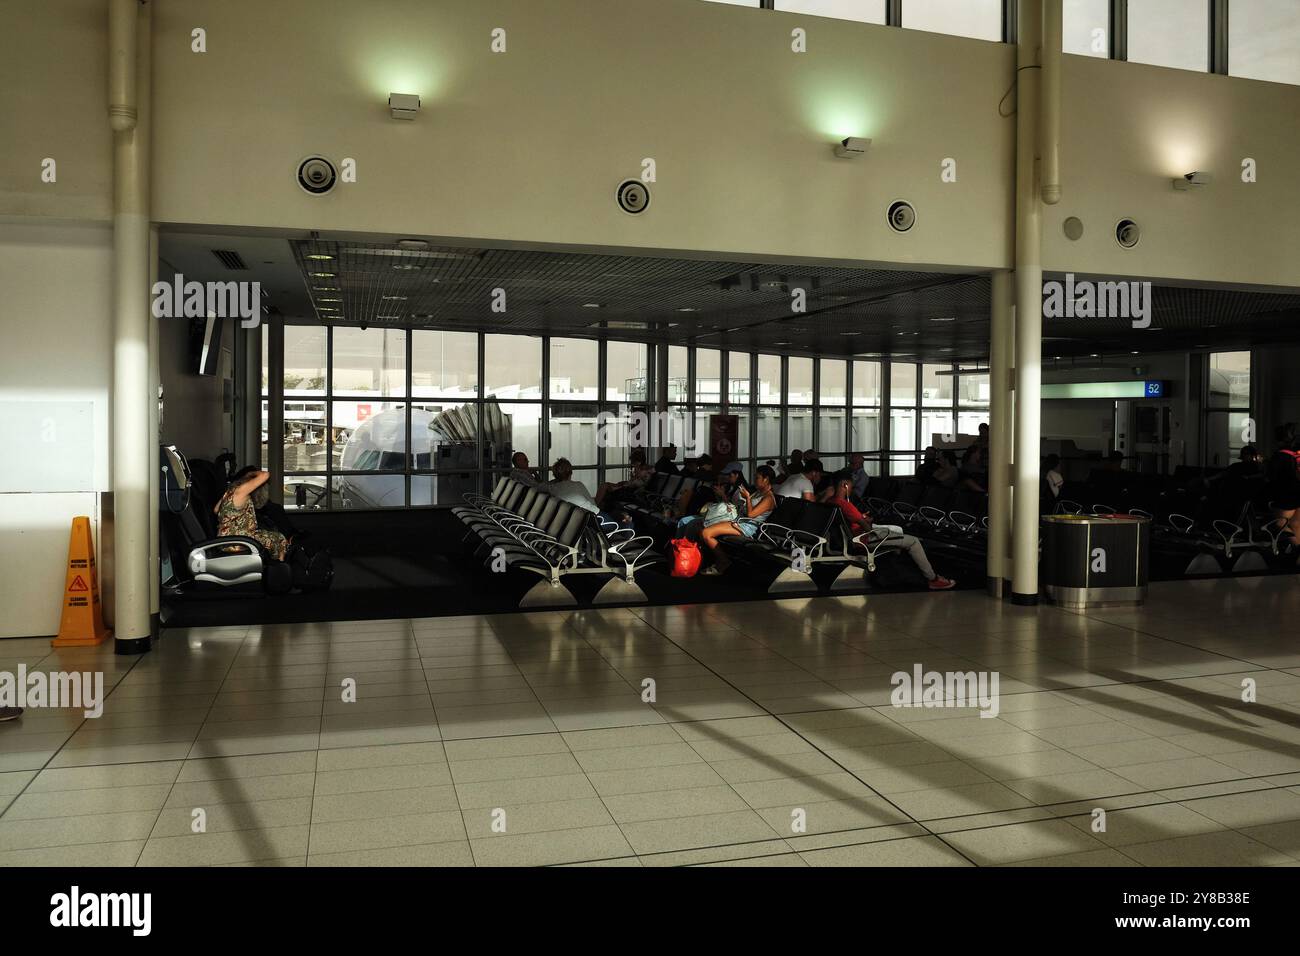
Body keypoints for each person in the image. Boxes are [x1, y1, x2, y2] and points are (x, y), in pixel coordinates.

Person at [828, 476, 956, 590]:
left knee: (898, 532)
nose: (851, 489)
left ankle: (899, 568)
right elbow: (864, 525)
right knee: (913, 541)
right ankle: (933, 579)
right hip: (864, 539)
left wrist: (865, 520)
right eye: (850, 486)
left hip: (854, 537)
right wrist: (875, 533)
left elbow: (856, 519)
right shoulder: (846, 505)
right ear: (844, 485)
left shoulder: (831, 502)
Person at [699, 466, 779, 575]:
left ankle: (723, 561)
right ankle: (714, 559)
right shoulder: (759, 493)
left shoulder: (769, 498)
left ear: (766, 479)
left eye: (757, 478)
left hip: (747, 527)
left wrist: (747, 498)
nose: (755, 480)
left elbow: (751, 515)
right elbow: (746, 509)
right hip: (739, 521)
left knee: (706, 533)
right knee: (703, 527)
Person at [215, 467, 290, 560]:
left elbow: (216, 510)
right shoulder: (240, 492)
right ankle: (280, 566)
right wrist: (250, 474)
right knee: (280, 538)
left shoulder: (229, 492)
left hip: (224, 541)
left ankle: (274, 565)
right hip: (239, 541)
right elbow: (265, 475)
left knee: (270, 535)